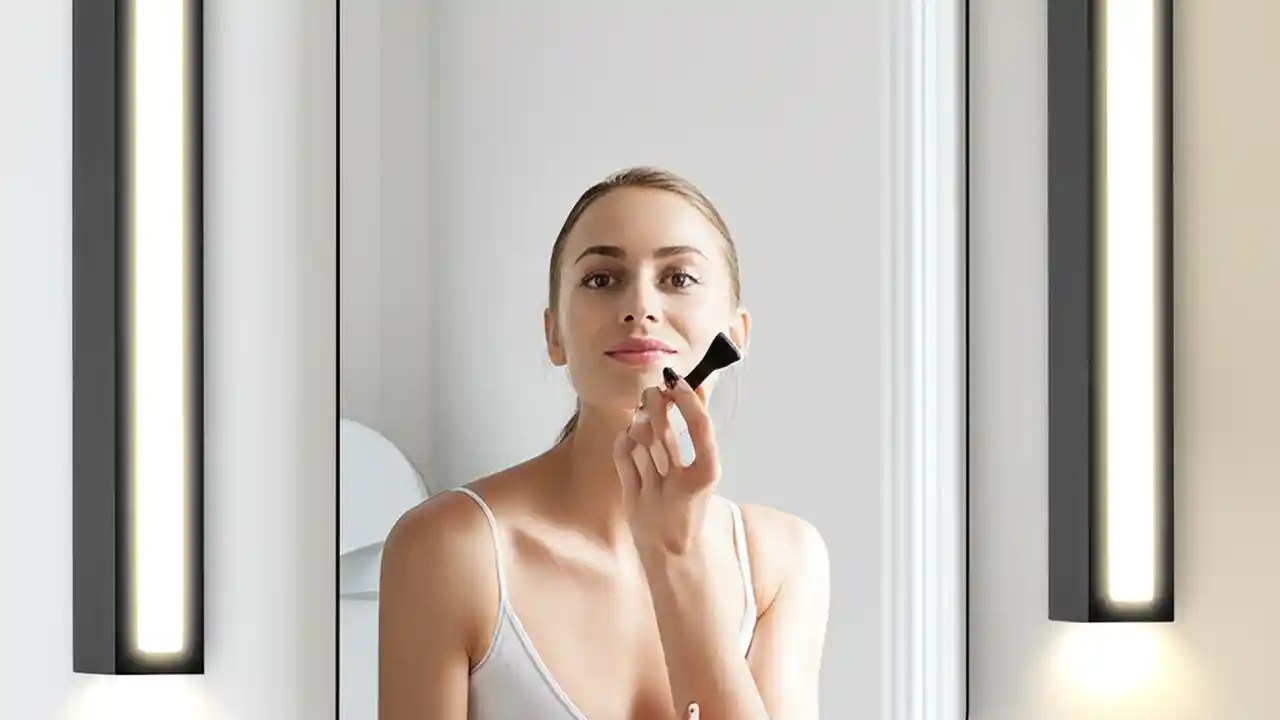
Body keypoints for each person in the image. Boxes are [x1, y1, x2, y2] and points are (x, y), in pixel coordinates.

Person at [378, 166, 830, 720]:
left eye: (678, 278)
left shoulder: (781, 563)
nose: (639, 306)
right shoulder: (450, 548)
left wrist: (674, 557)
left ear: (734, 336)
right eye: (602, 279)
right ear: (554, 334)